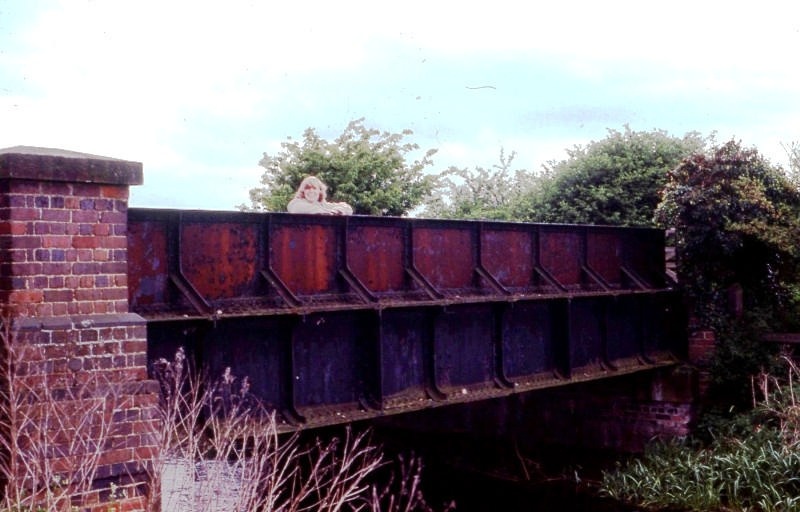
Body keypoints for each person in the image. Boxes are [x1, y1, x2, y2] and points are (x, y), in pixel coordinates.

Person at [286, 176, 353, 215]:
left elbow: (348, 208)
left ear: (320, 191)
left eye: (314, 188)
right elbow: (296, 209)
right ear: (303, 191)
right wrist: (327, 212)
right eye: (307, 188)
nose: (311, 191)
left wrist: (339, 211)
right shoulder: (296, 203)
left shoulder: (323, 205)